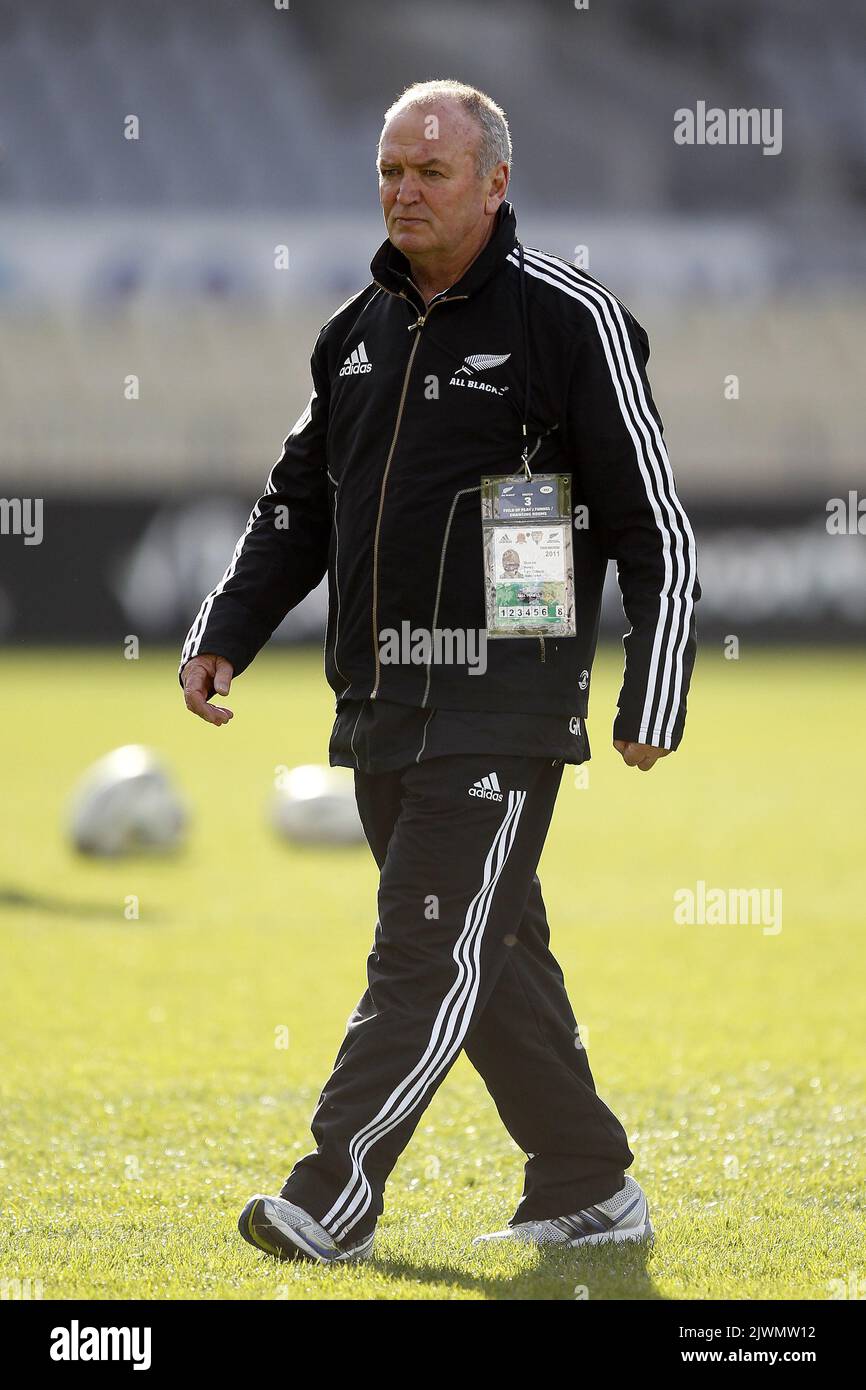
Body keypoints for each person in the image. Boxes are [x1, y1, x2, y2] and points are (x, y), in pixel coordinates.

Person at [180, 79, 699, 1264]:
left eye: (431, 172)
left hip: (502, 703)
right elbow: (296, 504)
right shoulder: (353, 330)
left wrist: (651, 685)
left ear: (494, 183)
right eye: (389, 172)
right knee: (492, 952)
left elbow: (652, 525)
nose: (403, 191)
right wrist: (227, 628)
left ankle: (331, 1196)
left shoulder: (570, 321)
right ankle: (586, 1181)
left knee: (422, 948)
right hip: (376, 704)